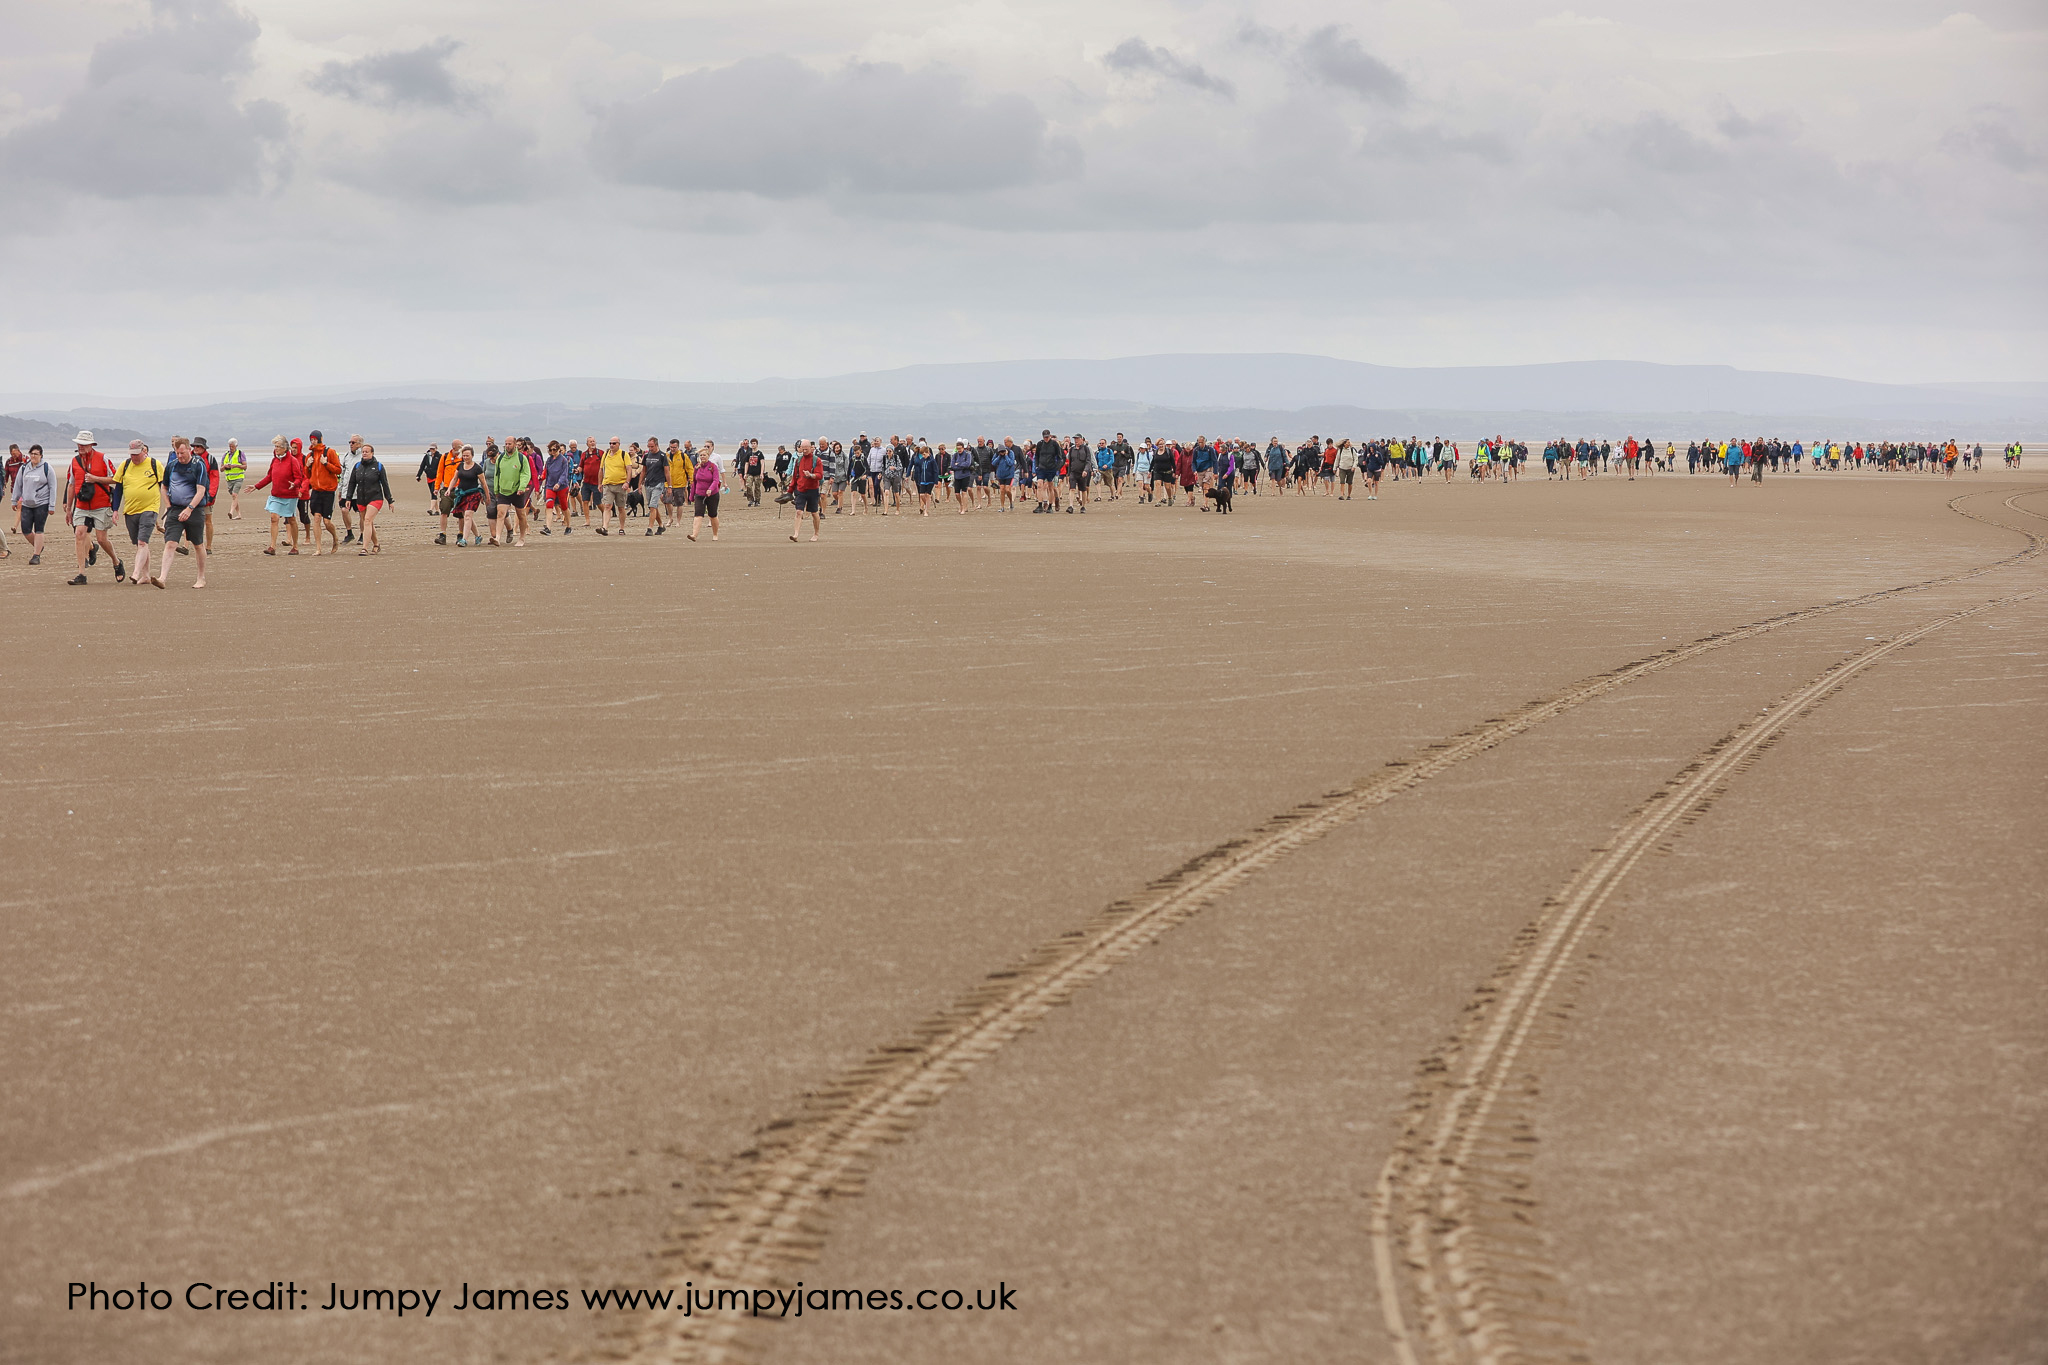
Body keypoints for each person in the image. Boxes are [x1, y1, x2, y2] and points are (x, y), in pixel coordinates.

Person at [65, 430, 123, 585]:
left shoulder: (102, 458)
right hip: (82, 505)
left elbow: (116, 479)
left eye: (84, 444)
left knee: (101, 539)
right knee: (79, 533)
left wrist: (96, 479)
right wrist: (68, 508)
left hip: (101, 504)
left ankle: (116, 562)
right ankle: (81, 573)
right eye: (79, 444)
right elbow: (71, 485)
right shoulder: (74, 461)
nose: (81, 446)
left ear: (91, 444)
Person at [159, 438, 211, 588]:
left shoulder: (198, 466)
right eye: (177, 453)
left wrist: (189, 509)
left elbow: (201, 490)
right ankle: (162, 578)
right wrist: (168, 507)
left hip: (194, 510)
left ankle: (201, 578)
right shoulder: (171, 466)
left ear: (189, 450)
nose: (180, 456)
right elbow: (164, 487)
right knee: (170, 543)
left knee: (198, 544)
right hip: (175, 509)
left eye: (182, 453)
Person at [114, 440, 166, 587]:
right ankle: (146, 576)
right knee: (140, 543)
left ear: (144, 451)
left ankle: (136, 573)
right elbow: (118, 489)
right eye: (132, 454)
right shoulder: (125, 465)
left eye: (137, 454)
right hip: (130, 510)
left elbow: (164, 486)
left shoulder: (155, 465)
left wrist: (168, 507)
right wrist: (115, 510)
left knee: (142, 542)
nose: (134, 457)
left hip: (150, 508)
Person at [254, 434, 307, 554]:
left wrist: (294, 484)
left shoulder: (293, 461)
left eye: (278, 446)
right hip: (276, 495)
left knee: (291, 519)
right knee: (274, 518)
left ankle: (295, 546)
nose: (276, 449)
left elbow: (299, 477)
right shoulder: (274, 460)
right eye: (275, 446)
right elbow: (269, 477)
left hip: (290, 495)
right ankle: (272, 547)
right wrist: (256, 486)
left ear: (284, 448)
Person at [346, 444, 393, 554]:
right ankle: (376, 544)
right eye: (363, 451)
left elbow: (385, 484)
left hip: (375, 497)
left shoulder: (378, 466)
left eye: (367, 451)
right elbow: (352, 483)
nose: (365, 453)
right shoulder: (357, 466)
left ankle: (364, 548)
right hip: (361, 498)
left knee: (367, 520)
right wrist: (348, 498)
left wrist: (390, 500)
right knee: (368, 522)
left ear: (372, 453)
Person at [12, 443, 54, 564]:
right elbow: (18, 485)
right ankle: (39, 546)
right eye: (32, 454)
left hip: (42, 503)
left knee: (39, 529)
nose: (33, 456)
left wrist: (51, 505)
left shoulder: (47, 468)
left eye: (36, 454)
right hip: (27, 503)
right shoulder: (24, 468)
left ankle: (36, 555)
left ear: (41, 455)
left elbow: (53, 487)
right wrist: (14, 500)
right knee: (26, 530)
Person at [488, 439, 531, 545]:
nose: (507, 446)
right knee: (500, 513)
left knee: (521, 515)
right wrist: (496, 489)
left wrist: (522, 487)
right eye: (506, 444)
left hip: (517, 491)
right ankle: (497, 538)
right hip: (503, 491)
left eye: (509, 444)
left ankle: (522, 538)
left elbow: (526, 474)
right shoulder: (501, 458)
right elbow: (497, 475)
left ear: (515, 444)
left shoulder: (521, 458)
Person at [788, 441, 824, 541]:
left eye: (806, 449)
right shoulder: (798, 460)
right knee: (799, 512)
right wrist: (790, 490)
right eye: (802, 449)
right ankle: (795, 534)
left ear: (811, 448)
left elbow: (820, 475)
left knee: (814, 513)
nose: (804, 451)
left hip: (813, 490)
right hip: (800, 490)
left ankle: (816, 534)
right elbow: (795, 477)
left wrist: (811, 475)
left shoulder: (817, 460)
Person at [595, 438, 630, 536]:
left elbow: (629, 469)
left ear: (618, 444)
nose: (611, 445)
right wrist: (600, 483)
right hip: (608, 484)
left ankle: (622, 528)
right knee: (607, 506)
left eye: (614, 443)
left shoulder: (624, 454)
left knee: (621, 508)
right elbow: (601, 469)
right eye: (610, 443)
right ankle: (605, 527)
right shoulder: (605, 455)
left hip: (621, 485)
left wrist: (627, 482)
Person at [688, 445, 722, 541]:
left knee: (712, 515)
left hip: (712, 495)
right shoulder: (697, 468)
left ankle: (715, 534)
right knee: (698, 514)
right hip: (699, 494)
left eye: (704, 455)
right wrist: (691, 496)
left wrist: (710, 489)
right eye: (701, 455)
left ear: (708, 456)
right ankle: (694, 535)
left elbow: (716, 480)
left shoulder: (712, 467)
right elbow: (694, 482)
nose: (702, 457)